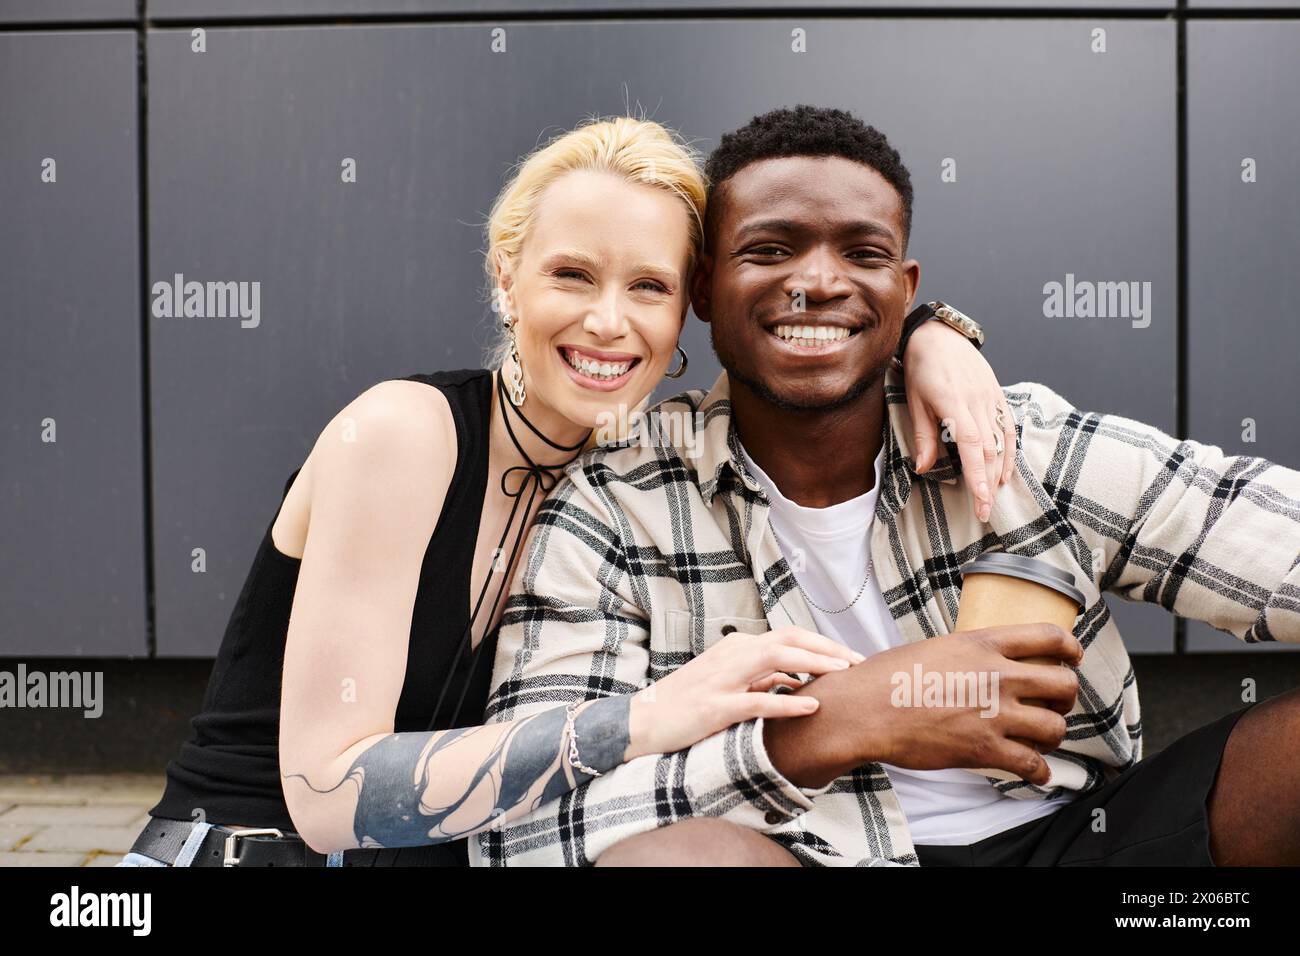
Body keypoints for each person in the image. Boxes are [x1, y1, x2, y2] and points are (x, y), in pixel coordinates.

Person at [116, 114, 1014, 867]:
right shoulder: (403, 433)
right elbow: (327, 794)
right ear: (506, 276)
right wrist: (649, 718)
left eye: (648, 287)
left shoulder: (640, 464)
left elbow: (812, 317)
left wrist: (930, 335)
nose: (609, 322)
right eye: (572, 274)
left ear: (687, 310)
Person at [473, 105, 1300, 868]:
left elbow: (1241, 524)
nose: (819, 282)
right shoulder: (615, 502)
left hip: (1081, 844)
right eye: (770, 249)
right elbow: (527, 823)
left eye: (861, 254)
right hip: (801, 853)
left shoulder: (1008, 438)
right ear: (703, 291)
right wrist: (829, 725)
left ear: (904, 294)